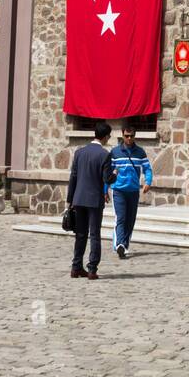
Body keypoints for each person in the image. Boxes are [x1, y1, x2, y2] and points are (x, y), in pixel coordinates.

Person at [66, 120, 116, 279]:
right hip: (94, 201)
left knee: (80, 234)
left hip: (78, 199)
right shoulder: (105, 155)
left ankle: (76, 267)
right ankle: (92, 268)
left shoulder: (79, 152)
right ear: (106, 137)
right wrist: (115, 173)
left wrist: (70, 199)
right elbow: (107, 178)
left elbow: (73, 177)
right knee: (94, 234)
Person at [109, 122, 153, 258]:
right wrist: (105, 190)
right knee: (121, 218)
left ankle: (124, 245)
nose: (129, 138)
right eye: (127, 136)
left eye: (132, 136)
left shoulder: (140, 152)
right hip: (118, 191)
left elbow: (147, 169)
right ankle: (119, 244)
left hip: (133, 191)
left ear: (135, 136)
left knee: (130, 220)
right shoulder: (115, 152)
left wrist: (148, 182)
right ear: (122, 135)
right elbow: (108, 173)